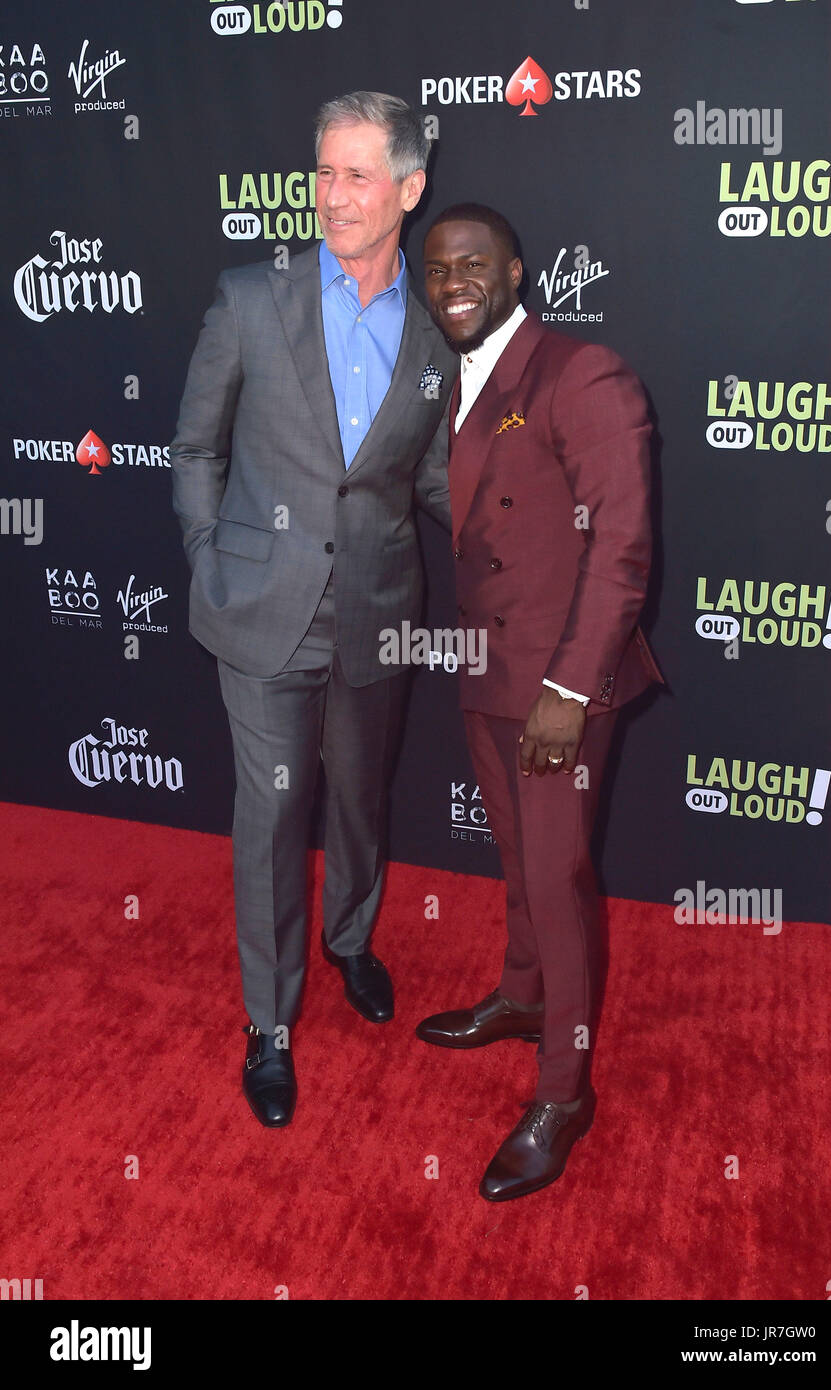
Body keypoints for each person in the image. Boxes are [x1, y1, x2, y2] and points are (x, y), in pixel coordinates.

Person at [170, 93, 456, 1128]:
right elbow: (196, 447)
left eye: (358, 176)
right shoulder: (252, 296)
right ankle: (269, 1022)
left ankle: (349, 939)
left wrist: (518, 530)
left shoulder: (433, 330)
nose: (333, 197)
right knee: (271, 815)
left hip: (375, 608)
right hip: (258, 609)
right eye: (323, 173)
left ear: (409, 189)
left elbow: (425, 477)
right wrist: (209, 559)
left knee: (359, 803)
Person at [417, 204, 663, 1200]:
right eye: (435, 270)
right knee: (517, 857)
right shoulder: (459, 381)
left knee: (558, 882)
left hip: (557, 684)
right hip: (489, 668)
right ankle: (521, 997)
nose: (452, 282)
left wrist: (567, 687)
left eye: (472, 264)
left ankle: (562, 1090)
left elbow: (620, 547)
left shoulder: (580, 373)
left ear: (516, 274)